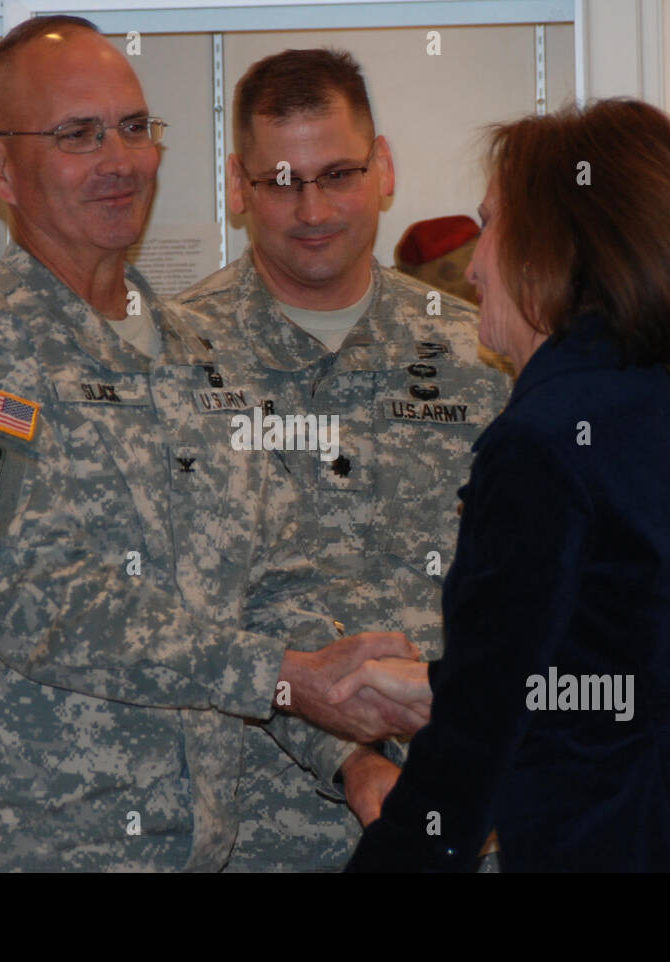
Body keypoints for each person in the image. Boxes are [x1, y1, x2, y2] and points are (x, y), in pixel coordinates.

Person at [0, 16, 420, 872]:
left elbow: (259, 582)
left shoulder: (195, 358)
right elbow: (35, 599)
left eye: (135, 128)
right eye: (77, 135)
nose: (119, 159)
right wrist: (289, 675)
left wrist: (351, 749)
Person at [342, 99, 670, 872]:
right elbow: (586, 647)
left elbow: (482, 729)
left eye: (492, 225)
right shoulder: (651, 397)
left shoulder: (545, 436)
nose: (476, 262)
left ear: (552, 246)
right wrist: (431, 684)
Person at [177, 48, 509, 870]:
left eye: (338, 173)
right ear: (237, 186)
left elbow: (533, 588)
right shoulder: (175, 360)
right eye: (281, 181)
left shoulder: (486, 354)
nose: (313, 208)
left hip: (469, 818)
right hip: (255, 834)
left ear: (384, 166)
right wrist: (349, 760)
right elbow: (187, 612)